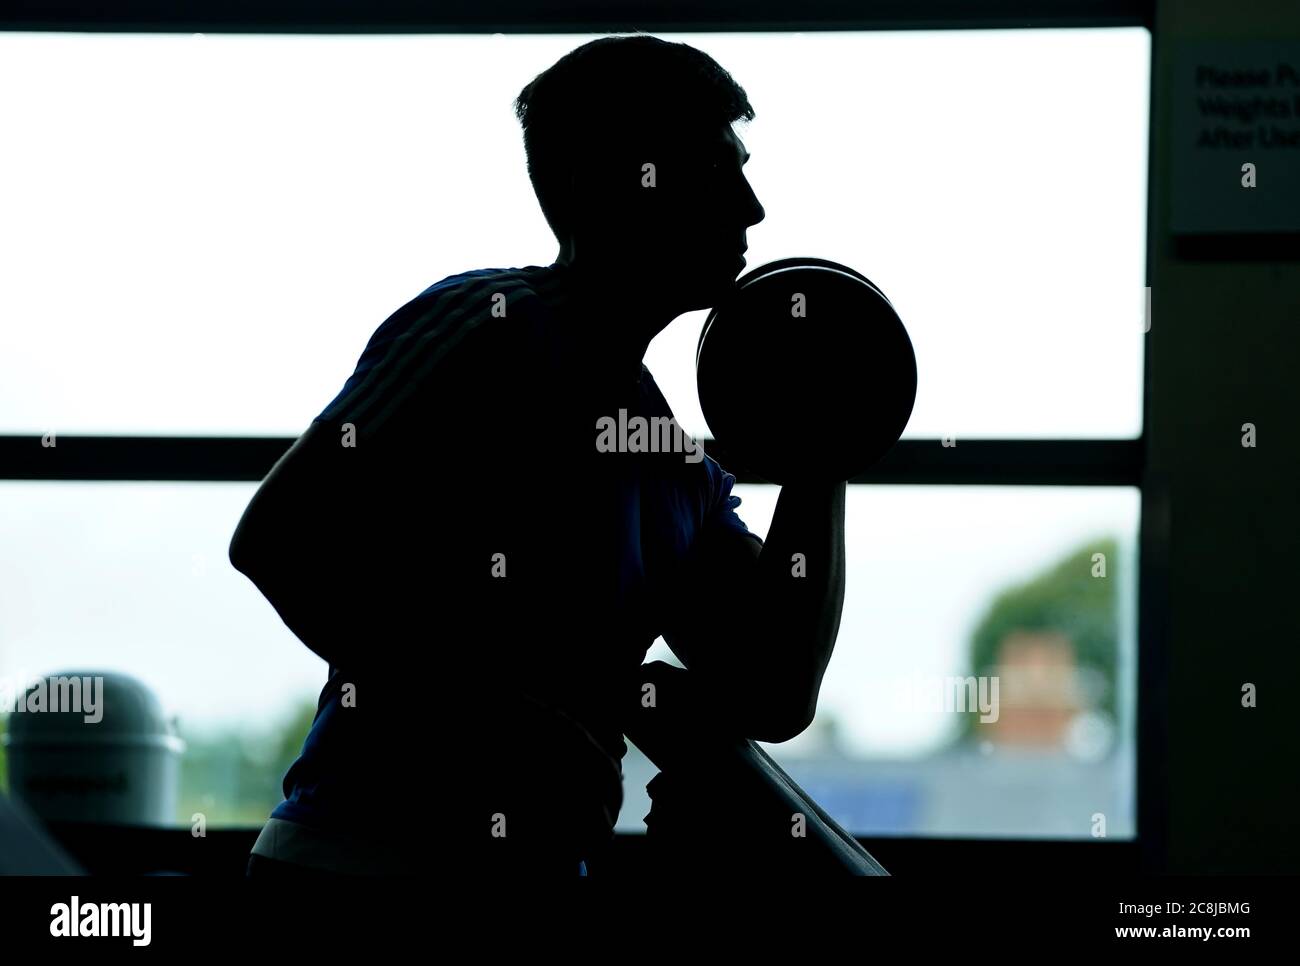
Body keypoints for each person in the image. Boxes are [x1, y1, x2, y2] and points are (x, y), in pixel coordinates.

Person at [230, 33, 846, 877]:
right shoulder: (490, 323)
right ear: (601, 186)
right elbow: (279, 539)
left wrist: (823, 452)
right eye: (714, 170)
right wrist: (487, 711)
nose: (751, 209)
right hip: (356, 860)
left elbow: (772, 688)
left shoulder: (667, 456)